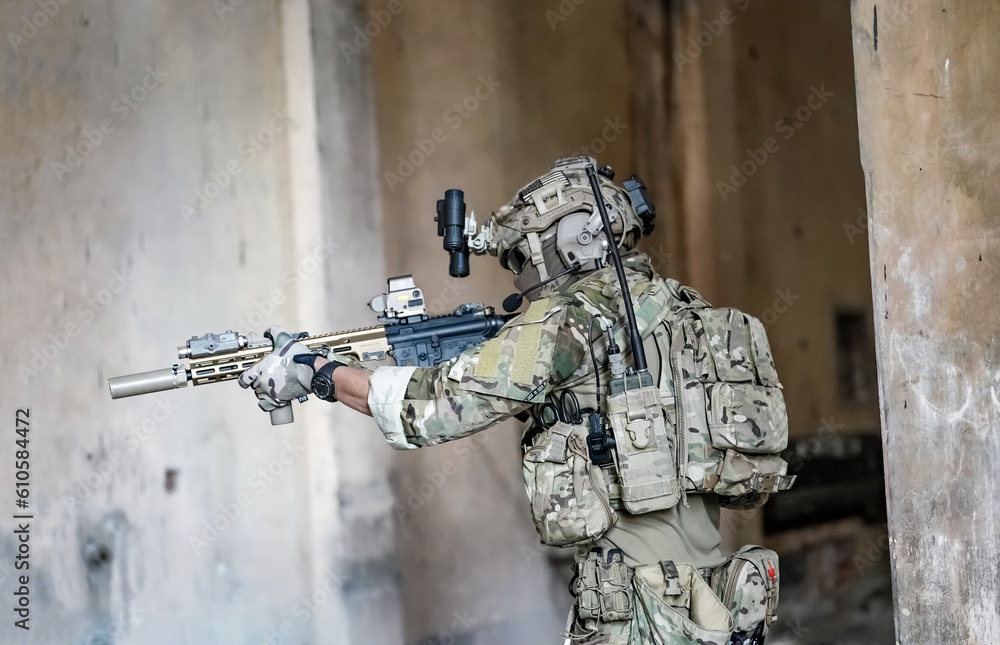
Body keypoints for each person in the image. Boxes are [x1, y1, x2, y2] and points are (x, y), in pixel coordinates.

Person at [239, 156, 790, 644]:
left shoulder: (567, 321)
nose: (522, 271)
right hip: (716, 600)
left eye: (525, 253)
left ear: (567, 241)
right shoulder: (696, 318)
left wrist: (316, 371)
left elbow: (432, 408)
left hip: (638, 615)